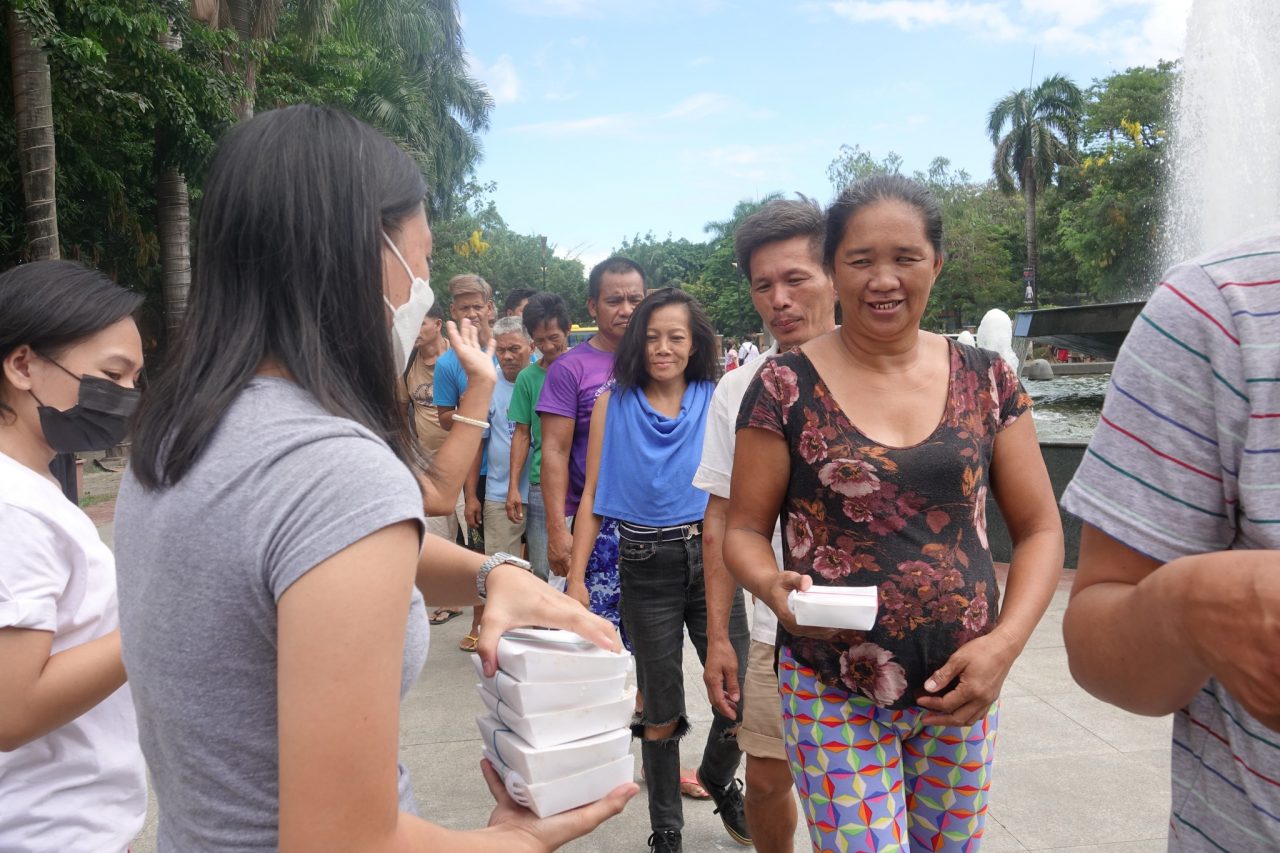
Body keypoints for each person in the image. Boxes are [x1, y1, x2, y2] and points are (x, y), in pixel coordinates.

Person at [114, 105, 635, 851]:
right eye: (420, 262)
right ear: (358, 254)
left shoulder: (180, 432)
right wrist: (518, 841)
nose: (423, 286)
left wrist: (492, 572)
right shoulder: (334, 466)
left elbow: (297, 552)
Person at [725, 174, 1063, 852]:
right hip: (830, 681)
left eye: (905, 257)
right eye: (861, 259)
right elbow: (741, 529)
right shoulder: (782, 384)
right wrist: (769, 585)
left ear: (936, 263)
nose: (884, 279)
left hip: (963, 683)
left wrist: (1003, 645)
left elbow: (1041, 529)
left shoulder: (988, 379)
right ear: (832, 268)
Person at [1060, 226, 1280, 852]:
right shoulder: (1219, 309)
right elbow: (1097, 631)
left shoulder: (984, 380)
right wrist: (1192, 605)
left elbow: (1035, 525)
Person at [570, 288, 749, 853]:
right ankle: (665, 828)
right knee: (660, 706)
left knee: (740, 698)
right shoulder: (611, 402)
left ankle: (719, 777)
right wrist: (575, 579)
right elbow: (593, 494)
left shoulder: (715, 396)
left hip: (714, 562)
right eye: (651, 337)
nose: (662, 348)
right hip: (644, 563)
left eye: (675, 337)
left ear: (694, 343)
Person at [695, 196, 836, 853]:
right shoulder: (740, 386)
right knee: (771, 777)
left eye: (796, 278)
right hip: (772, 629)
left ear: (834, 272)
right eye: (763, 284)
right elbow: (720, 513)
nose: (779, 299)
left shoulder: (884, 371)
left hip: (885, 624)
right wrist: (722, 635)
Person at [0, 260, 147, 852]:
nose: (127, 396)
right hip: (48, 831)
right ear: (22, 364)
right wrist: (156, 617)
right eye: (113, 374)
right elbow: (13, 709)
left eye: (136, 378)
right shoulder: (15, 508)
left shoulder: (34, 488)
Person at [538, 257, 646, 624]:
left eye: (635, 299)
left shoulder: (661, 359)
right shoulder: (570, 368)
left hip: (653, 525)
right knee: (587, 638)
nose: (627, 309)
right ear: (592, 306)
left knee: (651, 650)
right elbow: (553, 451)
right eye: (614, 300)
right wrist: (557, 530)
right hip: (592, 524)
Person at [435, 273, 501, 651]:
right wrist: (472, 411)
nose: (473, 312)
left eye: (478, 305)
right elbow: (445, 416)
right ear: (453, 313)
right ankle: (480, 619)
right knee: (479, 551)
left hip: (520, 470)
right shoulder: (448, 364)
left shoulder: (515, 350)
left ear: (490, 307)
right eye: (464, 307)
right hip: (475, 471)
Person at [400, 301, 475, 626]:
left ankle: (481, 598)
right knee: (437, 531)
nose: (414, 332)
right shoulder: (406, 365)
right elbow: (401, 411)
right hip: (425, 459)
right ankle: (449, 600)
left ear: (438, 324)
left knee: (471, 527)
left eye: (420, 323)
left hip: (465, 460)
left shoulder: (458, 360)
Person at [507, 291, 571, 586]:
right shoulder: (528, 378)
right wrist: (513, 488)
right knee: (544, 567)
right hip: (541, 483)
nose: (547, 347)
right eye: (539, 340)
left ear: (568, 330)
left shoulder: (584, 369)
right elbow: (521, 434)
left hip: (585, 482)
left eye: (553, 338)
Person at [481, 315, 533, 577]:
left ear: (531, 347)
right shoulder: (487, 384)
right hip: (500, 494)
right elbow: (477, 444)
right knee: (500, 574)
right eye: (501, 350)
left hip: (545, 495)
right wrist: (470, 497)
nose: (508, 356)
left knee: (547, 575)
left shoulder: (550, 378)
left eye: (515, 348)